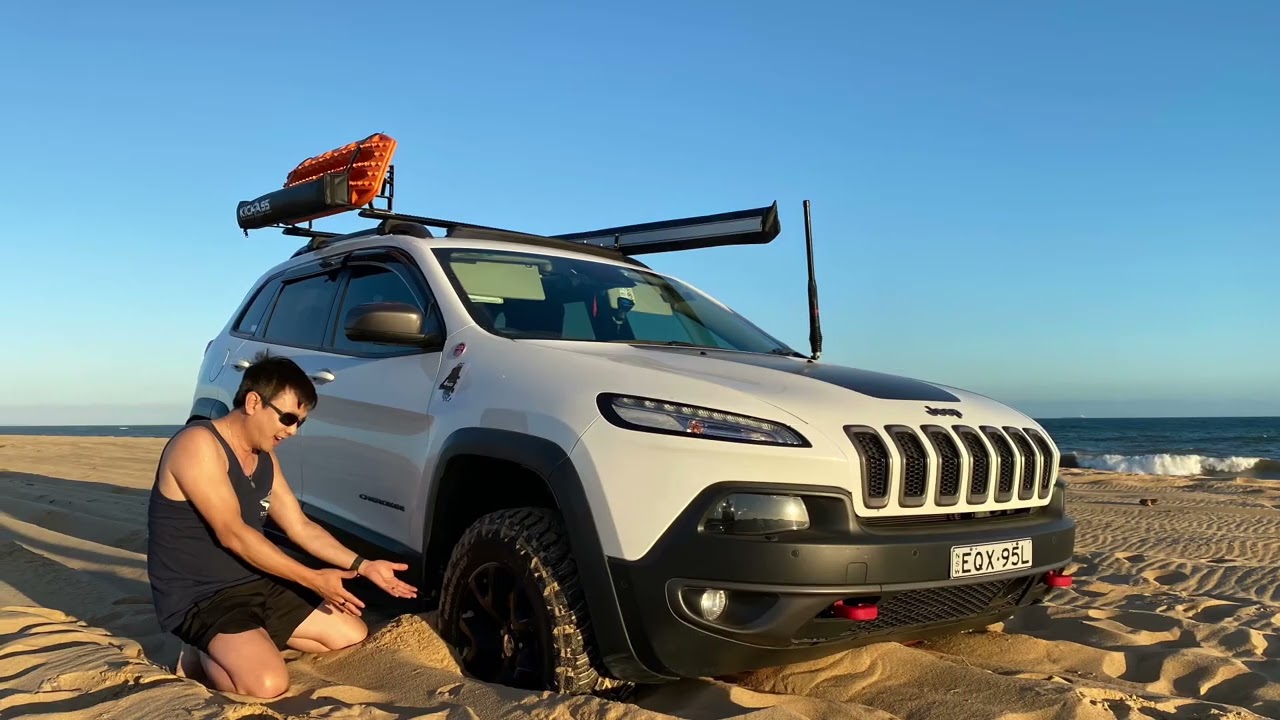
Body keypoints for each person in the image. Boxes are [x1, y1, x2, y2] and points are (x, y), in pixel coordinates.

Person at [146, 353, 417, 699]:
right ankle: (201, 647)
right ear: (254, 401)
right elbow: (234, 534)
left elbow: (300, 526)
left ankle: (245, 641)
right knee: (266, 684)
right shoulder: (197, 444)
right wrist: (314, 579)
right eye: (287, 418)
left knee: (350, 633)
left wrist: (363, 565)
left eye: (300, 422)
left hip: (255, 579)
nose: (291, 430)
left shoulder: (264, 458)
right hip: (202, 596)